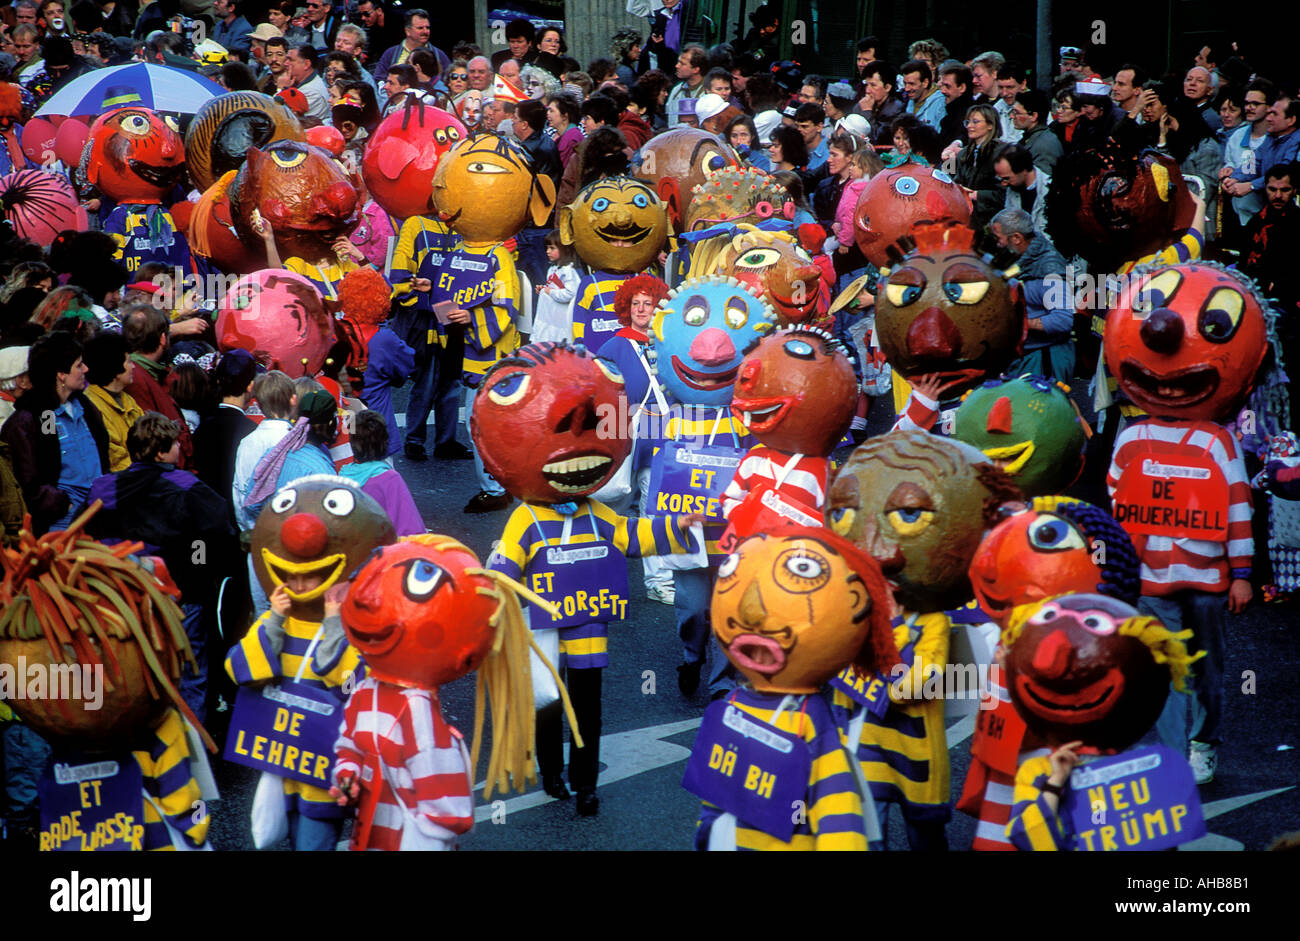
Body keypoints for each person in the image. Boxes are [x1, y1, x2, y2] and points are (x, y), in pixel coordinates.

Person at [87, 411, 238, 721]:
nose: (179, 449)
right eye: (174, 444)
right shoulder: (188, 486)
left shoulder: (104, 486)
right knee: (189, 671)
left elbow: (85, 533)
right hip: (181, 593)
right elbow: (222, 531)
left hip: (123, 595)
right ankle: (191, 754)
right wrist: (204, 567)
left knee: (135, 672)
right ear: (160, 451)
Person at [596, 274, 677, 607]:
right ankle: (592, 566)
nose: (642, 310)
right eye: (636, 304)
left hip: (661, 433)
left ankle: (658, 581)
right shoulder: (615, 344)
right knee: (609, 503)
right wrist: (610, 431)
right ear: (626, 309)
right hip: (625, 432)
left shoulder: (668, 342)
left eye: (649, 304)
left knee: (654, 509)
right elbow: (599, 388)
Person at [991, 208, 1074, 382]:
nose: (997, 244)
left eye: (999, 239)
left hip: (1045, 360)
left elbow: (1062, 319)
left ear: (1017, 238)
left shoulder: (1049, 269)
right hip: (1023, 358)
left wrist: (1019, 323)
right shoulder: (1017, 262)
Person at [121, 302, 193, 470]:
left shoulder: (150, 375)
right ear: (163, 339)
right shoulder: (135, 379)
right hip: (162, 477)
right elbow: (151, 443)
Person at [81, 330, 142, 473]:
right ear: (115, 367)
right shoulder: (93, 407)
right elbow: (117, 461)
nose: (133, 366)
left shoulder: (127, 400)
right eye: (128, 361)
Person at [952, 103, 1006, 237]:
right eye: (968, 122)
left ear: (990, 125)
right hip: (967, 219)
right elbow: (956, 180)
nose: (969, 126)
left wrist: (977, 195)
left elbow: (1005, 193)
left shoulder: (1002, 153)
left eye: (975, 122)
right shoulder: (963, 154)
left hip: (992, 223)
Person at [530, 231, 580, 345]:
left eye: (552, 248)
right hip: (549, 317)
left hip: (560, 320)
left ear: (564, 249)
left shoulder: (569, 271)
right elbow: (553, 288)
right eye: (547, 248)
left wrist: (550, 292)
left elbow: (571, 294)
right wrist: (543, 290)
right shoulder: (553, 268)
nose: (548, 251)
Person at [1010, 89, 1064, 174]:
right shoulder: (1030, 138)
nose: (1012, 116)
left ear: (1033, 116)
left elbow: (1044, 183)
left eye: (1017, 112)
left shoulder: (1046, 145)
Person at [901, 58, 943, 131]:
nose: (906, 89)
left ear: (925, 83)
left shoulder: (940, 104)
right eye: (905, 83)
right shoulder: (910, 102)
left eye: (911, 84)